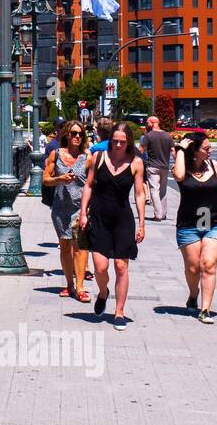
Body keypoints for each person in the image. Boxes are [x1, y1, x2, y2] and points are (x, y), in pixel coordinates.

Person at [78, 121, 145, 329]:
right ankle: (104, 292)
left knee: (121, 266)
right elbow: (88, 185)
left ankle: (119, 312)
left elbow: (140, 193)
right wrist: (83, 213)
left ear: (129, 143)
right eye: (115, 141)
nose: (117, 145)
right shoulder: (98, 158)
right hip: (99, 217)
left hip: (123, 219)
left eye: (122, 142)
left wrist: (142, 222)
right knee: (101, 266)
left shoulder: (136, 162)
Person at [172, 131, 217, 324]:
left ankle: (205, 309)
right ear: (195, 151)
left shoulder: (214, 166)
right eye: (206, 148)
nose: (210, 151)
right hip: (188, 224)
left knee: (208, 263)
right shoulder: (182, 167)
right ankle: (193, 294)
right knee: (192, 268)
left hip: (214, 222)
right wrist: (181, 148)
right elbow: (179, 175)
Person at [44, 119, 90, 302]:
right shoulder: (56, 154)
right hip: (60, 208)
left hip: (80, 208)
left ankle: (80, 287)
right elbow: (45, 179)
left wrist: (88, 208)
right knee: (64, 247)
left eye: (80, 134)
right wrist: (60, 179)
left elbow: (92, 184)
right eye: (73, 133)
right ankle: (69, 285)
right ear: (67, 135)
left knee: (79, 247)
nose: (77, 136)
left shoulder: (87, 158)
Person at [140, 116, 173, 222]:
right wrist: (176, 163)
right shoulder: (168, 135)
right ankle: (163, 213)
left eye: (147, 122)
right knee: (163, 190)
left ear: (152, 123)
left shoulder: (148, 136)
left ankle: (158, 215)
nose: (146, 124)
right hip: (165, 166)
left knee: (154, 190)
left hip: (153, 166)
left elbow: (141, 150)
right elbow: (173, 150)